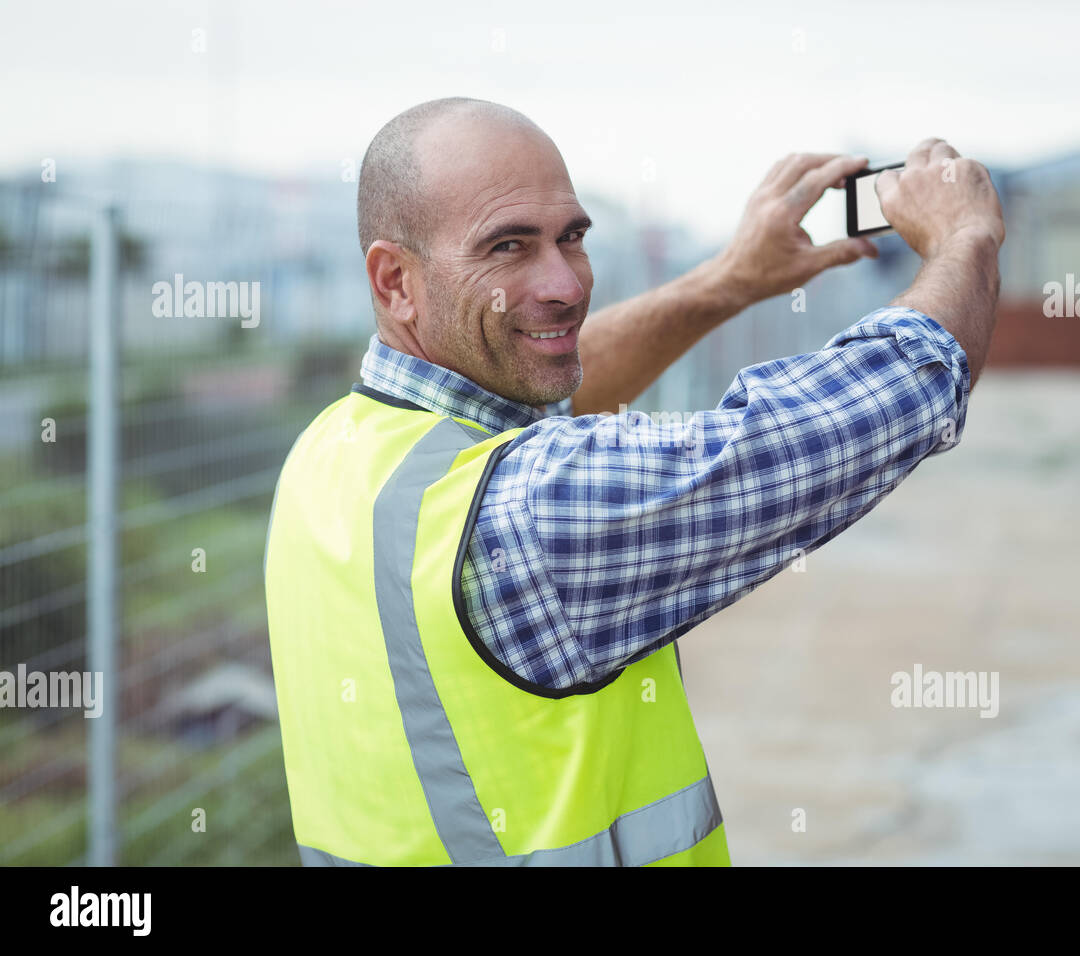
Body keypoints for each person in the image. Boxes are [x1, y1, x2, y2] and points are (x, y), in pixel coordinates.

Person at [263, 96, 1004, 867]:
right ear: (396, 282)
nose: (565, 284)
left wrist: (728, 280)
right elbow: (881, 406)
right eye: (508, 247)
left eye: (571, 237)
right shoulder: (531, 514)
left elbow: (537, 398)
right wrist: (965, 238)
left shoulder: (333, 452)